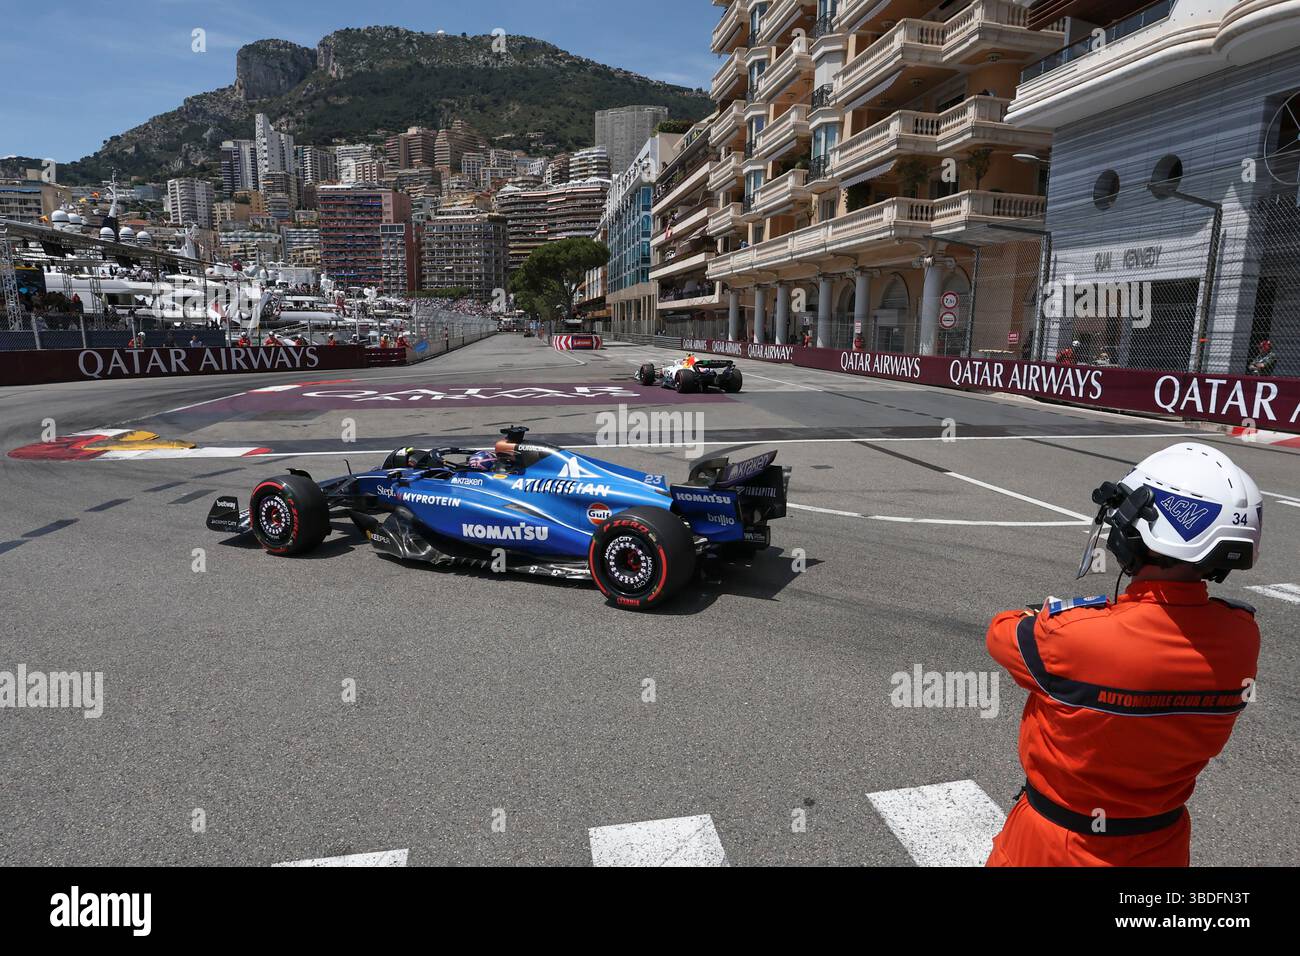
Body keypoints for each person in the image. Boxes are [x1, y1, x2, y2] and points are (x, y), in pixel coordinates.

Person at [985, 442, 1262, 867]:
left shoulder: (1073, 637)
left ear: (1142, 533)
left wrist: (1056, 614)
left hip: (1053, 846)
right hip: (1160, 845)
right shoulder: (1242, 637)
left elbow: (1000, 632)